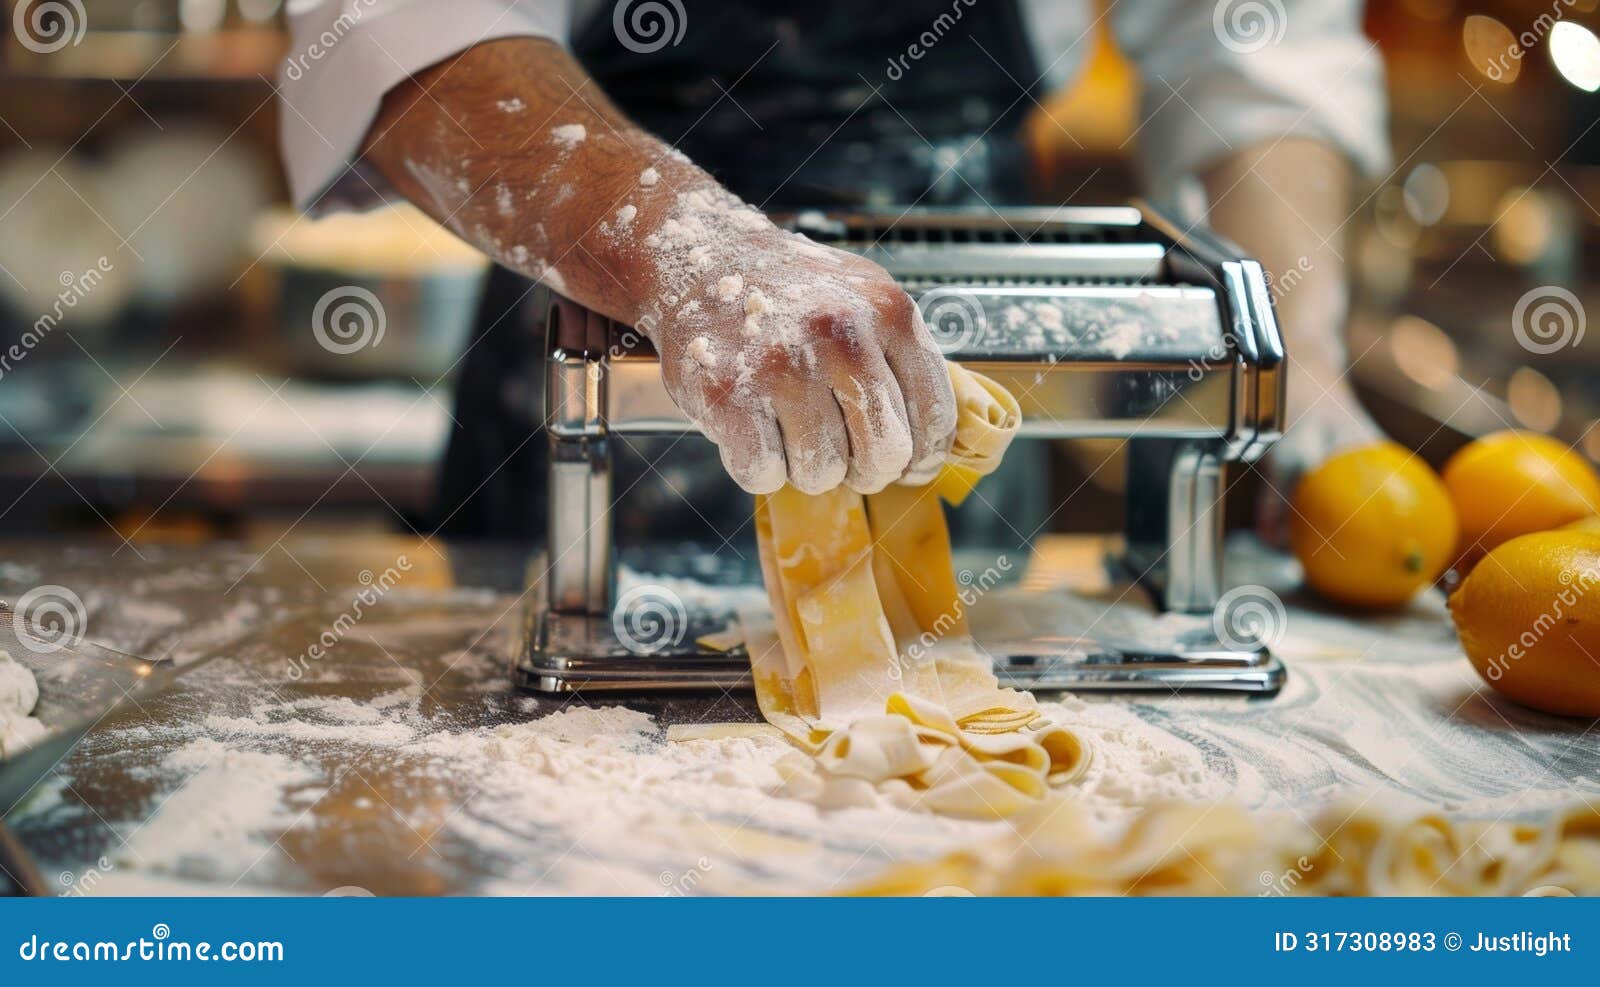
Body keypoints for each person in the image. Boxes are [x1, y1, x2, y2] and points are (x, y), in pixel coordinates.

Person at [278, 0, 1389, 545]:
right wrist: (689, 252)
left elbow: (1251, 44)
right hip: (597, 351)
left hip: (959, 334)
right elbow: (398, 24)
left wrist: (1310, 368)